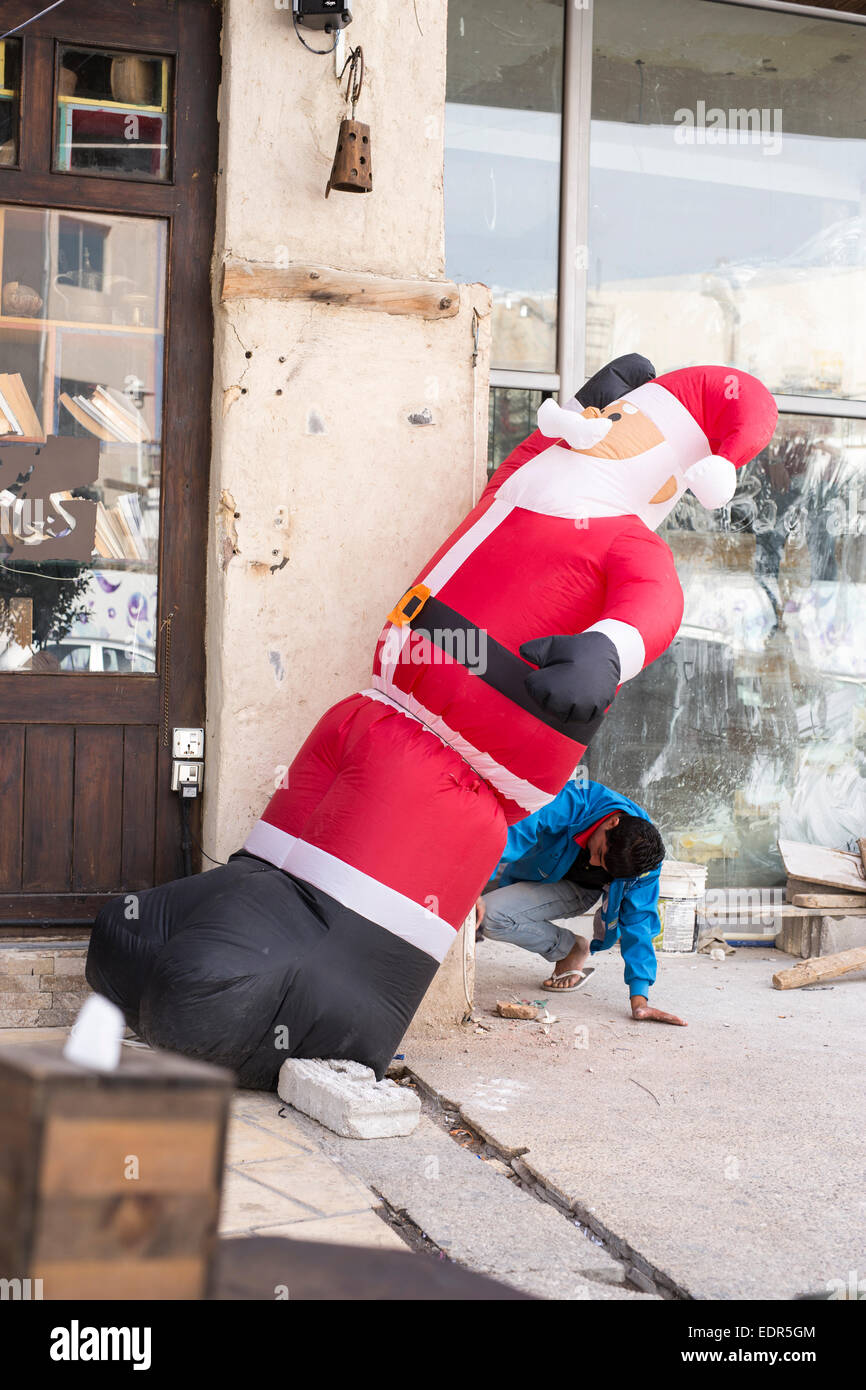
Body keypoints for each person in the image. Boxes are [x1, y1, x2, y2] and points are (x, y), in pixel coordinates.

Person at [477, 776, 687, 1025]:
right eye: (599, 853)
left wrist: (640, 1000)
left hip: (577, 889)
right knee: (469, 893)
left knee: (489, 916)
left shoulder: (643, 864)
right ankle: (481, 880)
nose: (595, 863)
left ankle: (569, 948)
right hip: (525, 865)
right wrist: (473, 884)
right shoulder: (575, 798)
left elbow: (638, 923)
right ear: (612, 822)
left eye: (606, 869)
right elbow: (516, 829)